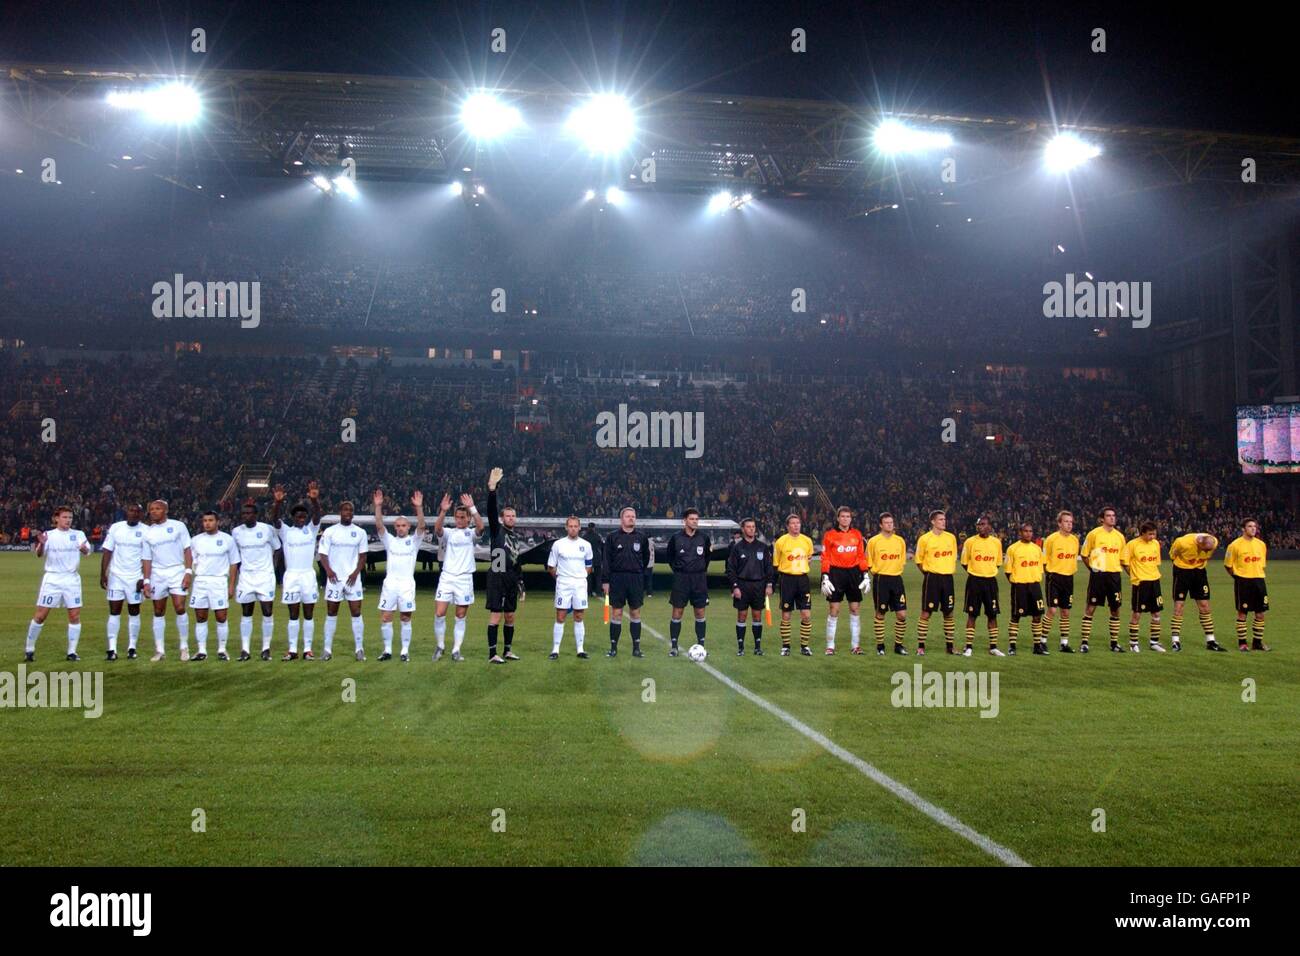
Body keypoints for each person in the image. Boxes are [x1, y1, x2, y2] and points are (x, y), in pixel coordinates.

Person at [25, 505, 92, 662]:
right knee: (41, 616)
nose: (68, 520)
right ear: (56, 518)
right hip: (53, 579)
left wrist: (83, 549)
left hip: (72, 579)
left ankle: (72, 652)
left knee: (74, 616)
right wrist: (41, 544)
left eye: (70, 518)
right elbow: (39, 555)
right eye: (65, 517)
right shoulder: (49, 535)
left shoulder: (78, 534)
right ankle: (29, 649)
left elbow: (88, 551)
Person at [373, 488, 425, 661]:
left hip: (406, 584)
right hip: (390, 584)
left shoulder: (414, 541)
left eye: (403, 525)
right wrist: (378, 506)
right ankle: (387, 650)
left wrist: (419, 507)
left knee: (405, 617)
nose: (401, 528)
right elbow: (379, 526)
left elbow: (422, 526)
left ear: (408, 527)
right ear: (394, 527)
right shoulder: (390, 541)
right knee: (386, 616)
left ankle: (404, 651)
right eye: (398, 526)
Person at [271, 481, 322, 660]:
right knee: (293, 614)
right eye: (298, 515)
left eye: (303, 515)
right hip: (291, 576)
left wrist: (314, 500)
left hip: (308, 575)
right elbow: (274, 519)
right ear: (293, 517)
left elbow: (318, 516)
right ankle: (292, 650)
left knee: (308, 614)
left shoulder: (311, 530)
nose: (301, 517)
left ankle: (307, 649)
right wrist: (277, 502)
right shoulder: (286, 531)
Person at [433, 492, 485, 661]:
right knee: (440, 613)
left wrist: (473, 508)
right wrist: (443, 511)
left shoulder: (470, 534)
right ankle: (440, 646)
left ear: (468, 519)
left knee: (460, 615)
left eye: (463, 517)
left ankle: (456, 650)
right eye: (457, 517)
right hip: (447, 577)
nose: (459, 520)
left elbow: (481, 528)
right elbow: (438, 529)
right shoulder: (449, 532)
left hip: (464, 578)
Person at [141, 499, 194, 662]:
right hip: (157, 574)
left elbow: (187, 549)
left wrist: (188, 572)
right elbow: (147, 558)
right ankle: (160, 650)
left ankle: (184, 647)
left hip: (177, 571)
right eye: (151, 509)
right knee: (158, 611)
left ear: (165, 510)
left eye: (157, 508)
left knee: (179, 607)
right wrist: (147, 581)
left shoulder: (178, 526)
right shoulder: (147, 532)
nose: (153, 511)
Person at [231, 500, 282, 661]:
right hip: (246, 577)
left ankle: (266, 649)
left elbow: (278, 549)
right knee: (246, 612)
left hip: (265, 576)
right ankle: (245, 650)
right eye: (243, 513)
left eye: (249, 513)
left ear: (256, 515)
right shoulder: (236, 532)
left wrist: (272, 569)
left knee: (267, 611)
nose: (245, 516)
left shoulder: (267, 529)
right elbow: (235, 555)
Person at [100, 502, 150, 660]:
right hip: (116, 577)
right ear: (126, 512)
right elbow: (108, 551)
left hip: (135, 578)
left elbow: (149, 557)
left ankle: (132, 647)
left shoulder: (146, 531)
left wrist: (144, 578)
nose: (134, 513)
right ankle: (112, 649)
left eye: (137, 511)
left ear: (141, 515)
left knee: (134, 612)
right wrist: (103, 573)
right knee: (114, 611)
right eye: (131, 510)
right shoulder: (116, 528)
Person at [317, 500, 367, 661]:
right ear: (340, 512)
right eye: (345, 510)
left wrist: (355, 573)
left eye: (351, 510)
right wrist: (329, 571)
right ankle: (327, 649)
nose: (348, 513)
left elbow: (363, 556)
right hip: (334, 579)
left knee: (356, 613)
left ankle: (359, 649)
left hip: (353, 579)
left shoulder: (360, 532)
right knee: (331, 612)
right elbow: (323, 554)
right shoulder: (330, 532)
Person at [189, 511, 240, 661]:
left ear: (218, 521)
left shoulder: (227, 540)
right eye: (205, 520)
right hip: (200, 582)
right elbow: (190, 561)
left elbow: (234, 563)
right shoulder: (196, 540)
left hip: (219, 582)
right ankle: (202, 651)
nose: (207, 523)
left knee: (221, 616)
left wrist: (231, 585)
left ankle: (222, 650)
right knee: (200, 616)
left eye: (210, 520)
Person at [484, 467, 523, 664]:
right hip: (497, 575)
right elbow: (491, 510)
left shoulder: (516, 537)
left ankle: (507, 650)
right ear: (502, 518)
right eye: (508, 516)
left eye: (513, 516)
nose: (511, 518)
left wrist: (520, 582)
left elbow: (517, 561)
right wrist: (492, 490)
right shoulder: (497, 530)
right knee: (496, 616)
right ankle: (492, 654)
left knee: (510, 616)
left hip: (510, 578)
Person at [819, 505, 870, 655]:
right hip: (836, 574)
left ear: (851, 519)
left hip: (854, 573)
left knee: (855, 609)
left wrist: (865, 574)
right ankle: (830, 646)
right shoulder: (830, 535)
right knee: (834, 609)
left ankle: (855, 646)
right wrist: (825, 576)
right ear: (838, 518)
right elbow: (825, 557)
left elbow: (861, 556)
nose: (845, 519)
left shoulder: (857, 534)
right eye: (843, 516)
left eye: (848, 517)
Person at [601, 506, 651, 658]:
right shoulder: (612, 537)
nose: (631, 518)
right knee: (616, 613)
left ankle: (636, 648)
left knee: (635, 612)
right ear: (621, 519)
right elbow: (606, 560)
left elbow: (646, 558)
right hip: (617, 579)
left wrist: (638, 572)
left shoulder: (641, 537)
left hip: (635, 578)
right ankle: (613, 648)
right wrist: (605, 580)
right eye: (628, 516)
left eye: (633, 516)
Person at [666, 508, 711, 656]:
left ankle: (701, 646)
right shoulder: (676, 538)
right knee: (677, 612)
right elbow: (670, 558)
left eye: (697, 519)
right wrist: (680, 571)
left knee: (700, 612)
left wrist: (699, 570)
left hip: (699, 579)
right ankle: (674, 646)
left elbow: (707, 559)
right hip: (681, 579)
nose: (695, 522)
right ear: (684, 521)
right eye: (692, 519)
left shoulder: (704, 538)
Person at [548, 516, 594, 659]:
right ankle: (555, 650)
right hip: (564, 584)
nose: (573, 528)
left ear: (579, 528)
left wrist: (580, 577)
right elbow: (551, 566)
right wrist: (562, 578)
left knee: (579, 616)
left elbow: (589, 566)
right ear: (566, 527)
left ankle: (580, 649)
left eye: (576, 526)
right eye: (571, 526)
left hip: (580, 584)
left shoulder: (586, 545)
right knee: (561, 616)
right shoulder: (558, 544)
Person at [1081, 506, 1126, 653]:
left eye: (1113, 515)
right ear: (1102, 519)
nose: (1112, 518)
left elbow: (1123, 558)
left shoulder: (1120, 536)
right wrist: (1093, 569)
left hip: (1114, 576)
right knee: (1090, 608)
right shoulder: (1094, 534)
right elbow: (1084, 554)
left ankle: (1114, 643)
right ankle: (1084, 643)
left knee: (1115, 609)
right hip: (1098, 575)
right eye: (1108, 516)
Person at [1168, 531, 1223, 651]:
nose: (1207, 553)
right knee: (1179, 606)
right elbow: (1172, 555)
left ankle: (1211, 641)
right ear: (1199, 543)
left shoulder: (1213, 542)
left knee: (1205, 606)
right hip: (1182, 572)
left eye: (1209, 550)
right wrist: (1185, 565)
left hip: (1199, 573)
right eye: (1205, 550)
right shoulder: (1182, 542)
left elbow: (1208, 553)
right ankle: (1175, 642)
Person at [726, 516, 773, 655]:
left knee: (757, 616)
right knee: (742, 615)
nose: (751, 529)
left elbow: (769, 568)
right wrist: (735, 587)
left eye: (753, 527)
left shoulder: (762, 547)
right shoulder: (737, 548)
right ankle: (741, 648)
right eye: (748, 527)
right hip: (742, 585)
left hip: (759, 585)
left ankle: (757, 647)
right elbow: (731, 569)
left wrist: (769, 584)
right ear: (743, 529)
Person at [914, 509, 958, 656]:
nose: (944, 522)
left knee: (949, 613)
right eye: (940, 519)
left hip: (948, 579)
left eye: (944, 519)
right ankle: (920, 646)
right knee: (926, 613)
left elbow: (953, 557)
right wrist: (928, 574)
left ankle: (950, 647)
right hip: (932, 578)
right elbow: (919, 561)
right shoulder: (925, 539)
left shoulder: (951, 538)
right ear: (933, 521)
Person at [960, 515, 1005, 656]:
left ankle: (993, 647)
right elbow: (964, 562)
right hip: (974, 582)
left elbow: (998, 563)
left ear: (990, 526)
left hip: (991, 582)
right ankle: (968, 647)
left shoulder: (996, 543)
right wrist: (976, 573)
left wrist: (987, 571)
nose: (981, 527)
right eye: (979, 525)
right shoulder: (970, 542)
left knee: (992, 615)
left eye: (984, 524)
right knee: (972, 615)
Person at [773, 513, 815, 656]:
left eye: (798, 523)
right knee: (786, 615)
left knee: (806, 614)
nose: (796, 525)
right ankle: (786, 646)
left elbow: (809, 559)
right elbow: (776, 563)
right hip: (787, 580)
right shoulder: (781, 542)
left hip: (803, 580)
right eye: (793, 523)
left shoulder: (807, 541)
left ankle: (805, 646)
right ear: (787, 526)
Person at [1224, 518, 1269, 651]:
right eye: (1250, 526)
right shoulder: (1234, 545)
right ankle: (1242, 643)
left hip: (1259, 580)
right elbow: (1228, 565)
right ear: (1243, 529)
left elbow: (1262, 564)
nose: (1253, 529)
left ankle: (1257, 643)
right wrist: (1236, 577)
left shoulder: (1261, 544)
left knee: (1260, 613)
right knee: (1242, 613)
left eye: (1254, 526)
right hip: (1243, 581)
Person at [867, 512, 908, 655]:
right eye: (886, 523)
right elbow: (869, 562)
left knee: (902, 615)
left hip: (897, 580)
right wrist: (876, 573)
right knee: (880, 613)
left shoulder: (900, 541)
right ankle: (880, 646)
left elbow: (902, 561)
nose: (890, 525)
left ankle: (898, 645)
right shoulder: (873, 541)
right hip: (881, 580)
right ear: (880, 525)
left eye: (891, 522)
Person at [1121, 521, 1165, 652]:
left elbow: (1155, 563)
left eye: (1154, 534)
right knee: (1137, 613)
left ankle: (1154, 642)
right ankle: (1133, 643)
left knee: (1156, 613)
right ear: (1142, 533)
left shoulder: (1155, 544)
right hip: (1140, 583)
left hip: (1155, 581)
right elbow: (1125, 562)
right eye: (1150, 534)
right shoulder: (1132, 544)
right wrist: (1134, 575)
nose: (1152, 537)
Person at [1005, 522, 1047, 655]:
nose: (1028, 533)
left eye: (1030, 531)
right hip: (1020, 586)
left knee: (1037, 616)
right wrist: (1017, 582)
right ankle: (1012, 646)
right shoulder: (1013, 549)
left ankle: (1037, 647)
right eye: (1025, 531)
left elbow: (1040, 568)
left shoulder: (1037, 549)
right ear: (1020, 533)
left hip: (1035, 586)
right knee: (1016, 616)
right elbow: (1007, 571)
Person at [1041, 510, 1079, 653]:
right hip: (1054, 577)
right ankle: (1042, 640)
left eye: (1071, 522)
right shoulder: (1051, 539)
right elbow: (1044, 560)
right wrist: (1049, 574)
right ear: (1059, 523)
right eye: (1066, 522)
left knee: (1065, 612)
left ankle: (1064, 643)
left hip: (1069, 578)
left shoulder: (1074, 540)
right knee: (1052, 610)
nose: (1069, 524)